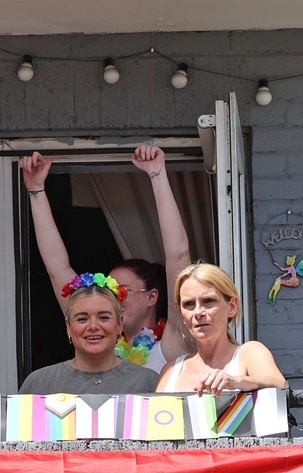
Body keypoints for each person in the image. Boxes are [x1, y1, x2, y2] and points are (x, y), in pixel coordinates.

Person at [20, 145, 193, 371]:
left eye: (123, 291)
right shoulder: (99, 343)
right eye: (110, 291)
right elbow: (58, 269)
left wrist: (157, 173)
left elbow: (178, 255)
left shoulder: (172, 344)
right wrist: (36, 190)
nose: (114, 299)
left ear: (151, 296)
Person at [19, 273, 160, 395]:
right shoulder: (38, 383)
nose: (93, 326)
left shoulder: (148, 383)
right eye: (82, 319)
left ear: (120, 323)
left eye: (103, 318)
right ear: (68, 326)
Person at [157, 263, 286, 395]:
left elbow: (280, 385)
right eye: (189, 304)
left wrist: (238, 381)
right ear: (181, 314)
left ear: (232, 307)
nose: (198, 312)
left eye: (208, 301)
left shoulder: (249, 353)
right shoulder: (171, 371)